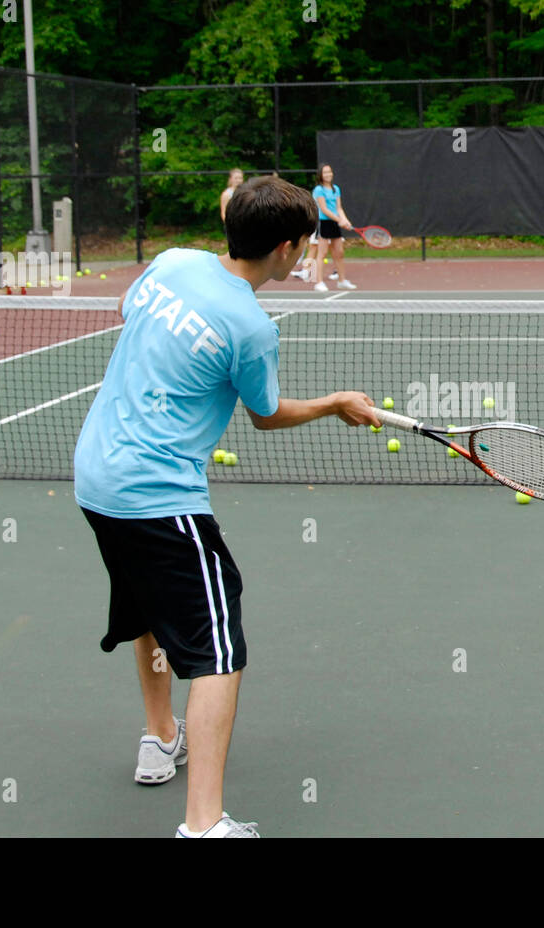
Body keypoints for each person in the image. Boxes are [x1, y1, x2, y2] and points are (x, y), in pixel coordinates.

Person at [74, 175, 379, 838]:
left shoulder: (172, 262)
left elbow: (136, 316)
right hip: (159, 496)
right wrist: (335, 404)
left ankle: (160, 738)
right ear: (290, 248)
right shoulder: (250, 326)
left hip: (96, 477)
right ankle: (204, 825)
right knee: (219, 650)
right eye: (301, 244)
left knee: (148, 612)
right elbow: (266, 417)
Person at [310, 164, 357, 291]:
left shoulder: (336, 189)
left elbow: (339, 208)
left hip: (335, 223)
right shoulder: (318, 190)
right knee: (322, 253)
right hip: (324, 222)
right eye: (325, 172)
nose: (328, 174)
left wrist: (345, 220)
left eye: (329, 172)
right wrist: (340, 220)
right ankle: (318, 282)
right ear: (320, 175)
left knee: (339, 253)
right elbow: (324, 209)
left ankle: (342, 280)